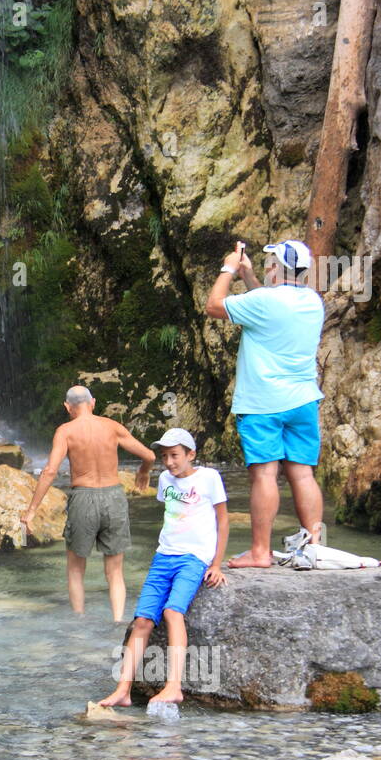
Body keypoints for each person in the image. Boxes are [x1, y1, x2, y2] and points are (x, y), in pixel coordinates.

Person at [205, 239, 325, 568]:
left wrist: (230, 268)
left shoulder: (264, 302)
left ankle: (260, 552)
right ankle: (314, 546)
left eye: (269, 262)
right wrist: (249, 277)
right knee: (302, 474)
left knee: (265, 475)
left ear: (275, 268)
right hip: (303, 402)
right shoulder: (313, 301)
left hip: (263, 403)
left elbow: (214, 306)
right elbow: (266, 304)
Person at [98, 428, 228, 707]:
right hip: (163, 556)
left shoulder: (209, 478)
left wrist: (216, 563)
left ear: (191, 454)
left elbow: (223, 521)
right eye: (164, 456)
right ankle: (123, 690)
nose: (168, 462)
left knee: (172, 611)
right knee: (143, 620)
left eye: (175, 455)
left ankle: (174, 686)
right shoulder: (166, 479)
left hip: (193, 557)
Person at [22, 385, 154, 621]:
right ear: (93, 402)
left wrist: (32, 511)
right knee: (115, 572)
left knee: (75, 569)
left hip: (83, 497)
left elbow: (51, 471)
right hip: (114, 497)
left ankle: (79, 624)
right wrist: (144, 472)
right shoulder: (112, 427)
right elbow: (150, 455)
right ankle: (117, 622)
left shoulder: (65, 431)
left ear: (67, 407)